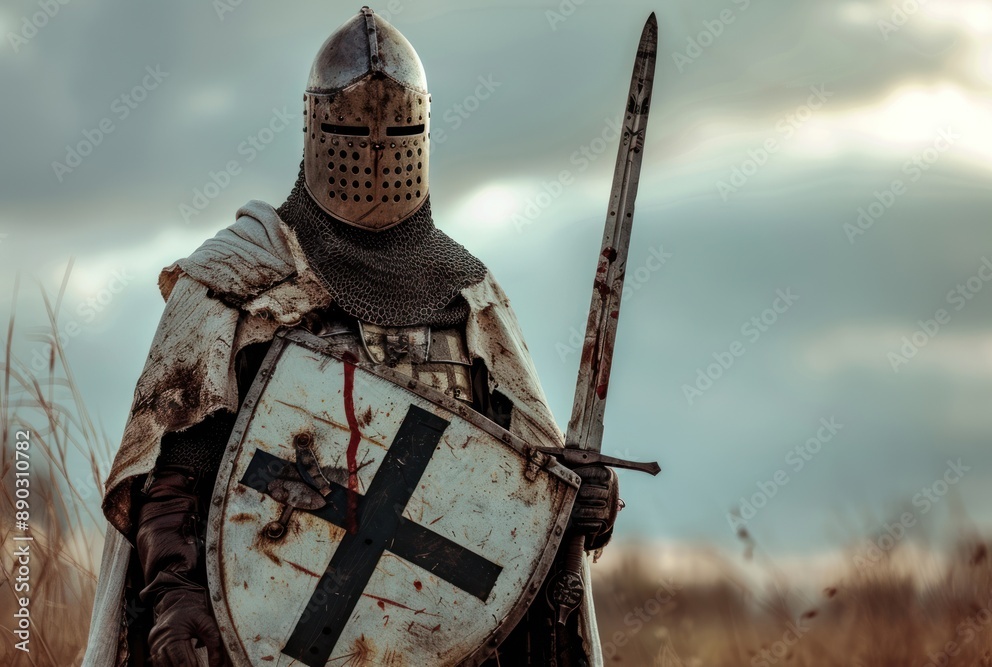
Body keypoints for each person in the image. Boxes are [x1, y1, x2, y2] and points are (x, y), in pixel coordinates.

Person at [83, 7, 619, 666]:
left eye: (398, 130)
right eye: (347, 128)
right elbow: (171, 472)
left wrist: (579, 503)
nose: (372, 151)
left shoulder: (470, 300)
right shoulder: (237, 280)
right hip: (265, 637)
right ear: (313, 127)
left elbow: (521, 497)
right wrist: (175, 592)